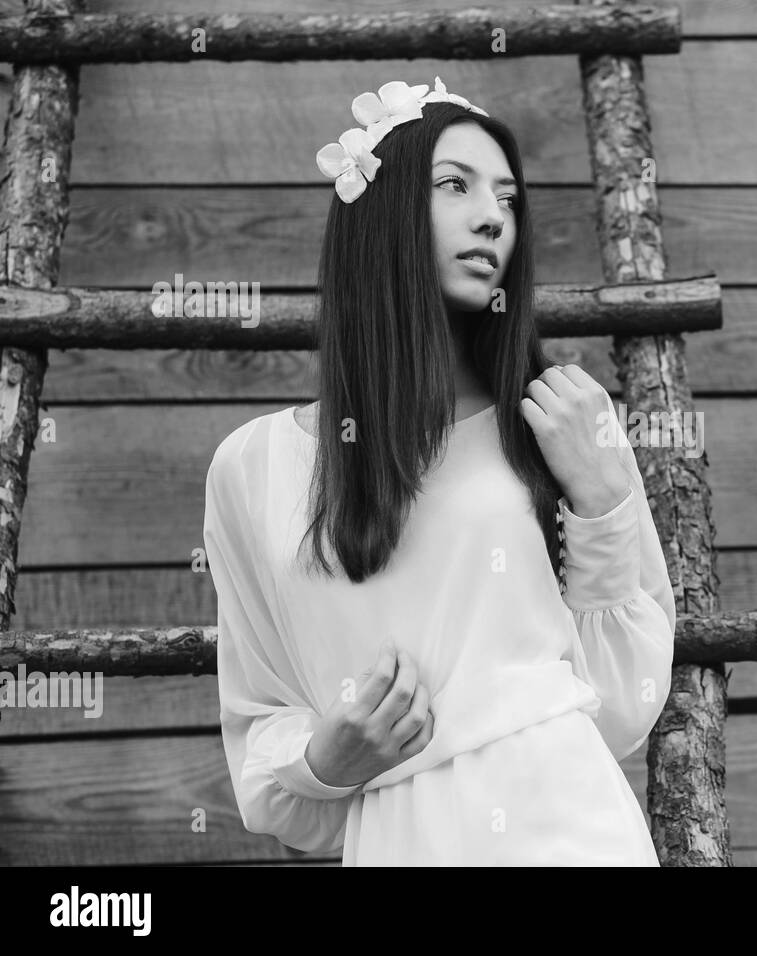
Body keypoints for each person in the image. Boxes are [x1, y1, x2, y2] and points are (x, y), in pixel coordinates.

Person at [202, 79, 677, 865]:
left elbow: (621, 700)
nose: (493, 215)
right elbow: (263, 725)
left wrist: (600, 501)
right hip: (395, 838)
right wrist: (327, 762)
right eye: (455, 185)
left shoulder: (557, 426)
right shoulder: (253, 469)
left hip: (569, 826)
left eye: (509, 198)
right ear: (381, 217)